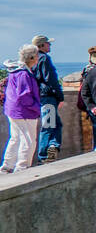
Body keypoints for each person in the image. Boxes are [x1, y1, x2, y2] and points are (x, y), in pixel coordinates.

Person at [1, 45, 43, 173]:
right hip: (24, 112)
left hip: (12, 110)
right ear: (32, 58)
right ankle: (22, 167)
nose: (38, 59)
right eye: (36, 56)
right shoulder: (24, 74)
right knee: (28, 140)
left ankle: (8, 165)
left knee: (15, 138)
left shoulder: (15, 71)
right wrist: (36, 108)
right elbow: (24, 96)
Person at [31, 34, 63, 163]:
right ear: (42, 45)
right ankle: (44, 155)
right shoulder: (43, 58)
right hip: (47, 96)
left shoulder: (34, 59)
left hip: (41, 96)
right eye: (48, 43)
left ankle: (53, 146)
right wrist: (59, 96)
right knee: (49, 125)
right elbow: (50, 79)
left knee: (56, 124)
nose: (50, 46)